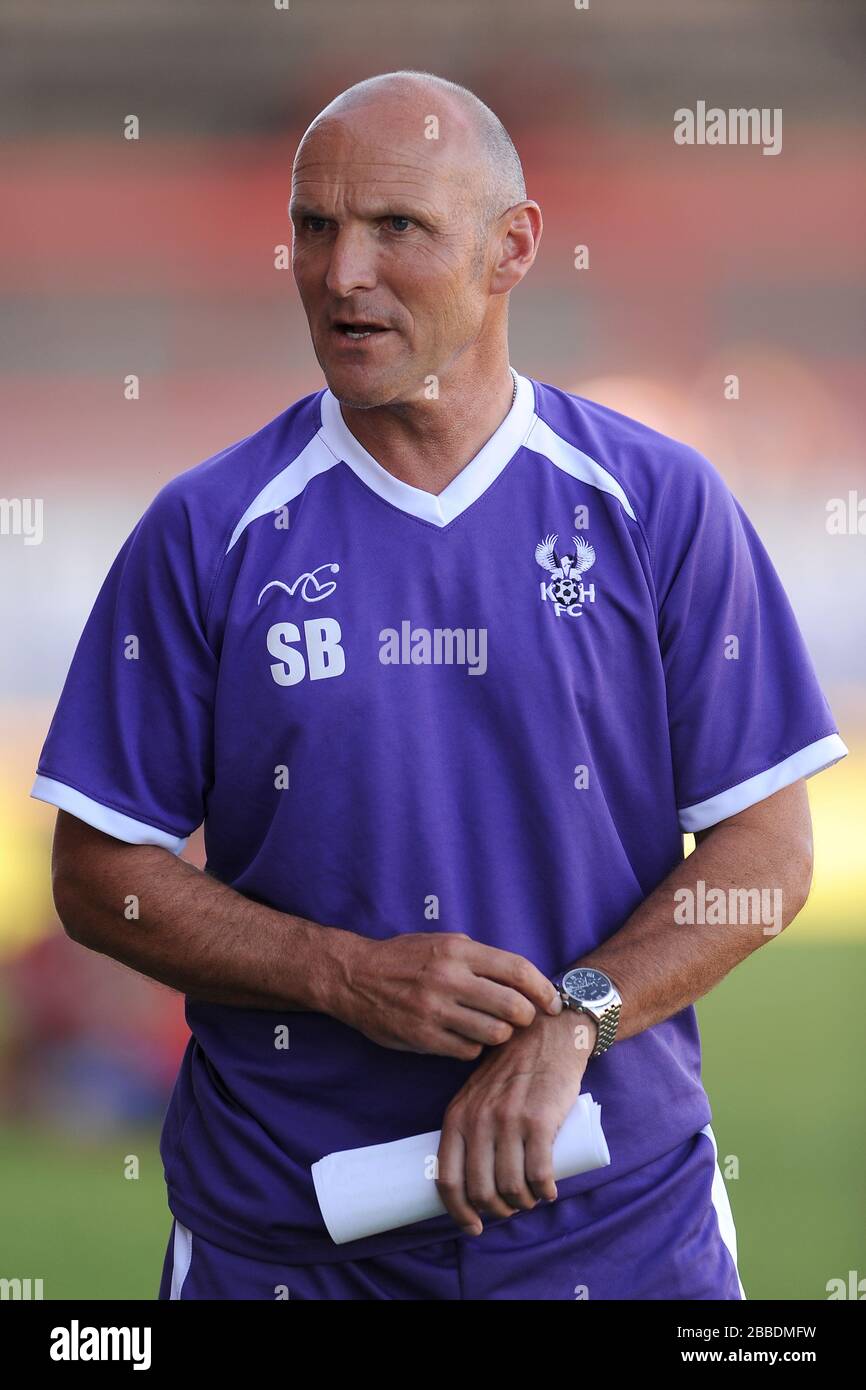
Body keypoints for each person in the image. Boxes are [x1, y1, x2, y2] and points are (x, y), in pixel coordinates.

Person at [32, 69, 847, 1301]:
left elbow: (768, 849)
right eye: (315, 227)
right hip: (286, 1239)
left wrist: (578, 1019)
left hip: (617, 1233)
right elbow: (99, 876)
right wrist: (340, 974)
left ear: (510, 246)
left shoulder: (657, 507)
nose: (341, 272)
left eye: (395, 228)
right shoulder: (208, 530)